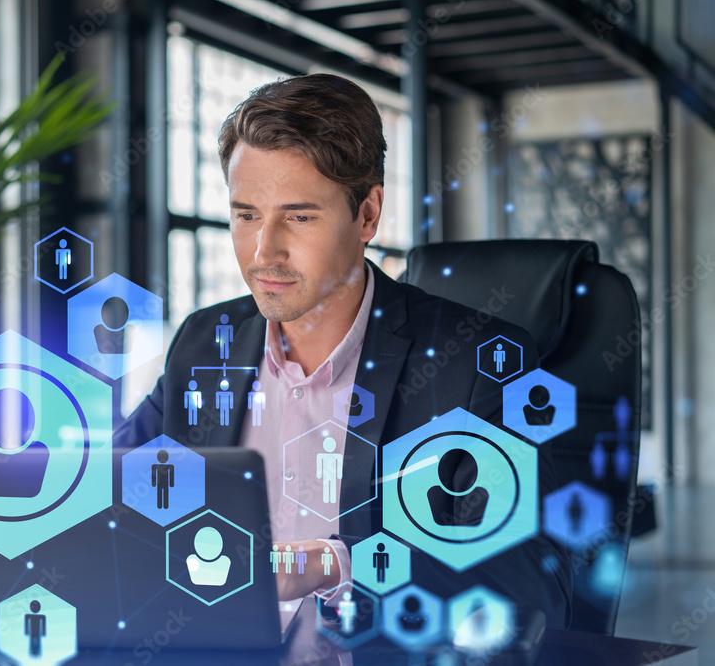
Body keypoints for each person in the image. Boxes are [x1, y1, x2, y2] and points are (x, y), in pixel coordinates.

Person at [113, 73, 571, 629]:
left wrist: (332, 565)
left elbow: (527, 579)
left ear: (367, 215)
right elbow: (115, 495)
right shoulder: (204, 342)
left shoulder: (478, 364)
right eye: (246, 215)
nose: (264, 251)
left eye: (299, 216)